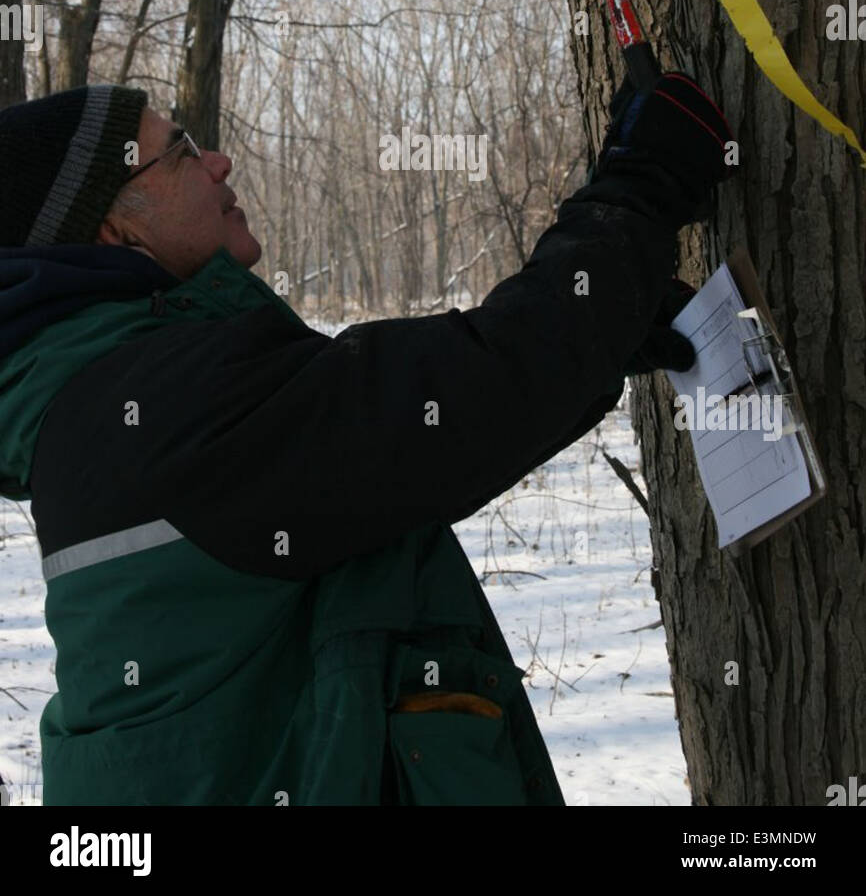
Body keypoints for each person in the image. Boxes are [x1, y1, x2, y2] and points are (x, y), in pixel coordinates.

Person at [0, 72, 734, 806]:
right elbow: (465, 392)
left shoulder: (95, 398)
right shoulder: (153, 401)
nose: (217, 161)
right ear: (113, 227)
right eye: (181, 152)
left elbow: (400, 439)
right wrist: (640, 187)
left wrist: (597, 325)